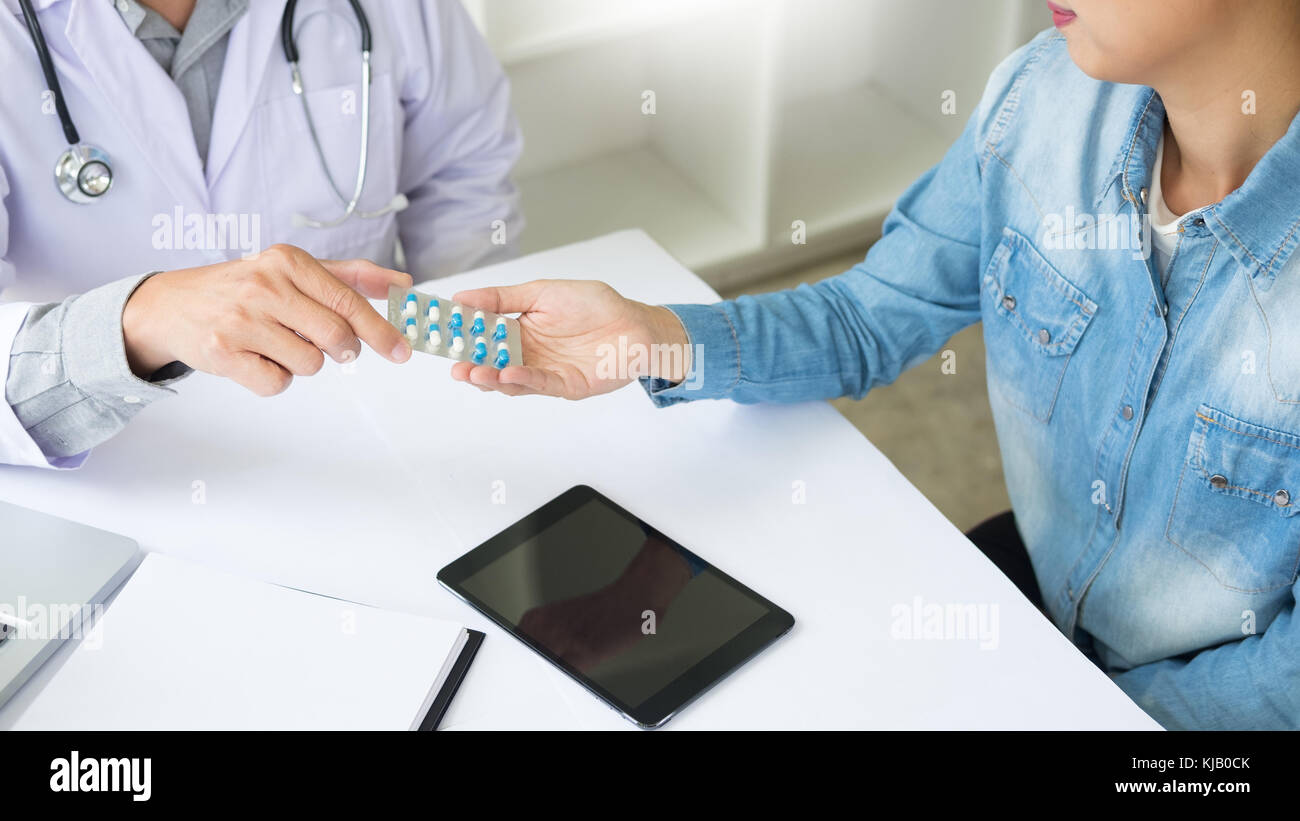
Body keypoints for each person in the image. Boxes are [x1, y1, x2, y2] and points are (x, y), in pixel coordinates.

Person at [446, 1, 1300, 730]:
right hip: (1037, 611)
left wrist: (1062, 707)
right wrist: (653, 337)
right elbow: (867, 317)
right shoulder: (1042, 97)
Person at [0, 0, 521, 467]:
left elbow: (465, 177)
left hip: (375, 453)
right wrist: (138, 320)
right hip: (108, 478)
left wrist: (463, 367)